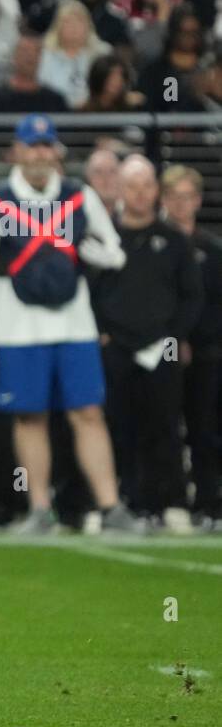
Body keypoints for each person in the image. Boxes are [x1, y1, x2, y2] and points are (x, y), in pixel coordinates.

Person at [0, 115, 138, 534]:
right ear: (16, 152)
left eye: (45, 147)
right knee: (28, 415)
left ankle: (110, 505)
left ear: (56, 152)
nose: (39, 155)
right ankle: (39, 508)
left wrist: (105, 262)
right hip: (17, 328)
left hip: (74, 325)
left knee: (88, 412)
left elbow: (112, 251)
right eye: (31, 146)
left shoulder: (80, 197)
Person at [91, 156, 202, 531]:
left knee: (167, 425)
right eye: (132, 185)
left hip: (163, 345)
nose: (140, 193)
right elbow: (90, 290)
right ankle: (122, 502)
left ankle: (172, 503)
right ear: (119, 190)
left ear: (156, 191)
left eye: (146, 185)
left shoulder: (174, 241)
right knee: (116, 425)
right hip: (115, 345)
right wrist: (101, 332)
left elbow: (191, 296)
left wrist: (176, 335)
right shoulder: (103, 239)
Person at [160, 164, 222, 520]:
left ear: (197, 200)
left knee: (204, 428)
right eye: (173, 197)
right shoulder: (155, 242)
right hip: (163, 350)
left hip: (207, 352)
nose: (181, 204)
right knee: (163, 426)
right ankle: (169, 499)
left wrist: (199, 340)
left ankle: (209, 500)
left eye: (187, 197)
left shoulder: (212, 250)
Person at [0, 32, 69, 114]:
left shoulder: (55, 101)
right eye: (25, 51)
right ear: (13, 57)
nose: (30, 56)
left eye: (36, 51)